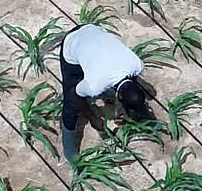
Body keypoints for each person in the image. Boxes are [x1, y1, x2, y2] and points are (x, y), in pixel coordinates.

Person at [58, 23, 155, 161]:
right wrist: (92, 118)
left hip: (94, 30)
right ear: (118, 97)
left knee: (128, 97)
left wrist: (125, 107)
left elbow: (131, 84)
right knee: (70, 106)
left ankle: (141, 114)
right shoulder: (95, 85)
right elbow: (75, 94)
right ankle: (69, 149)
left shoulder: (137, 65)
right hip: (73, 44)